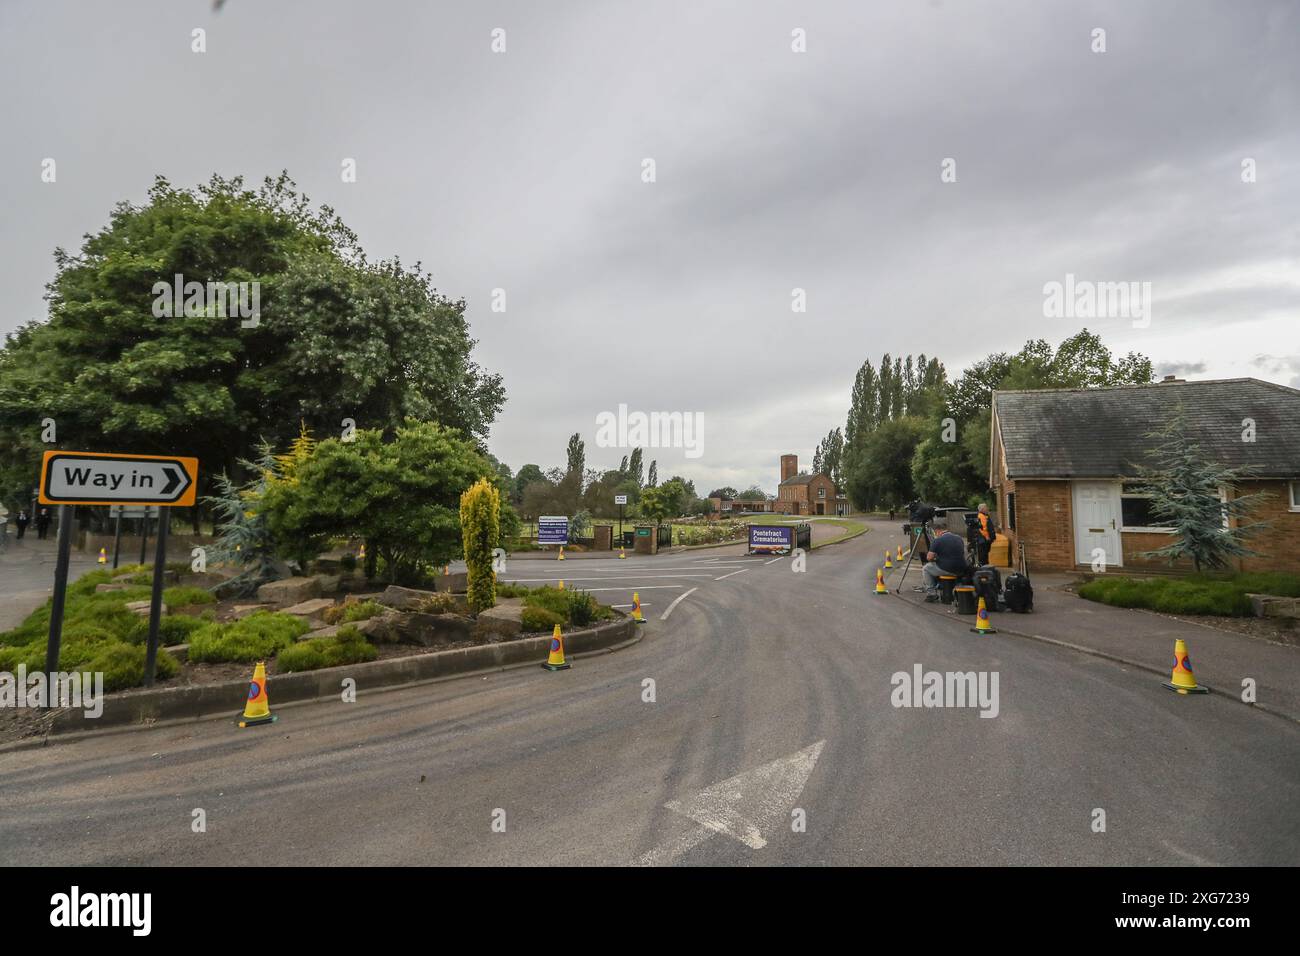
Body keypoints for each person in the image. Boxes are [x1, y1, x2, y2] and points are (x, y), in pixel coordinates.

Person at [922, 528, 969, 602]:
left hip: (947, 568)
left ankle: (931, 594)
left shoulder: (938, 540)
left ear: (938, 531)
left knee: (926, 568)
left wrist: (936, 559)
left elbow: (929, 558)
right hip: (961, 568)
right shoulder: (959, 538)